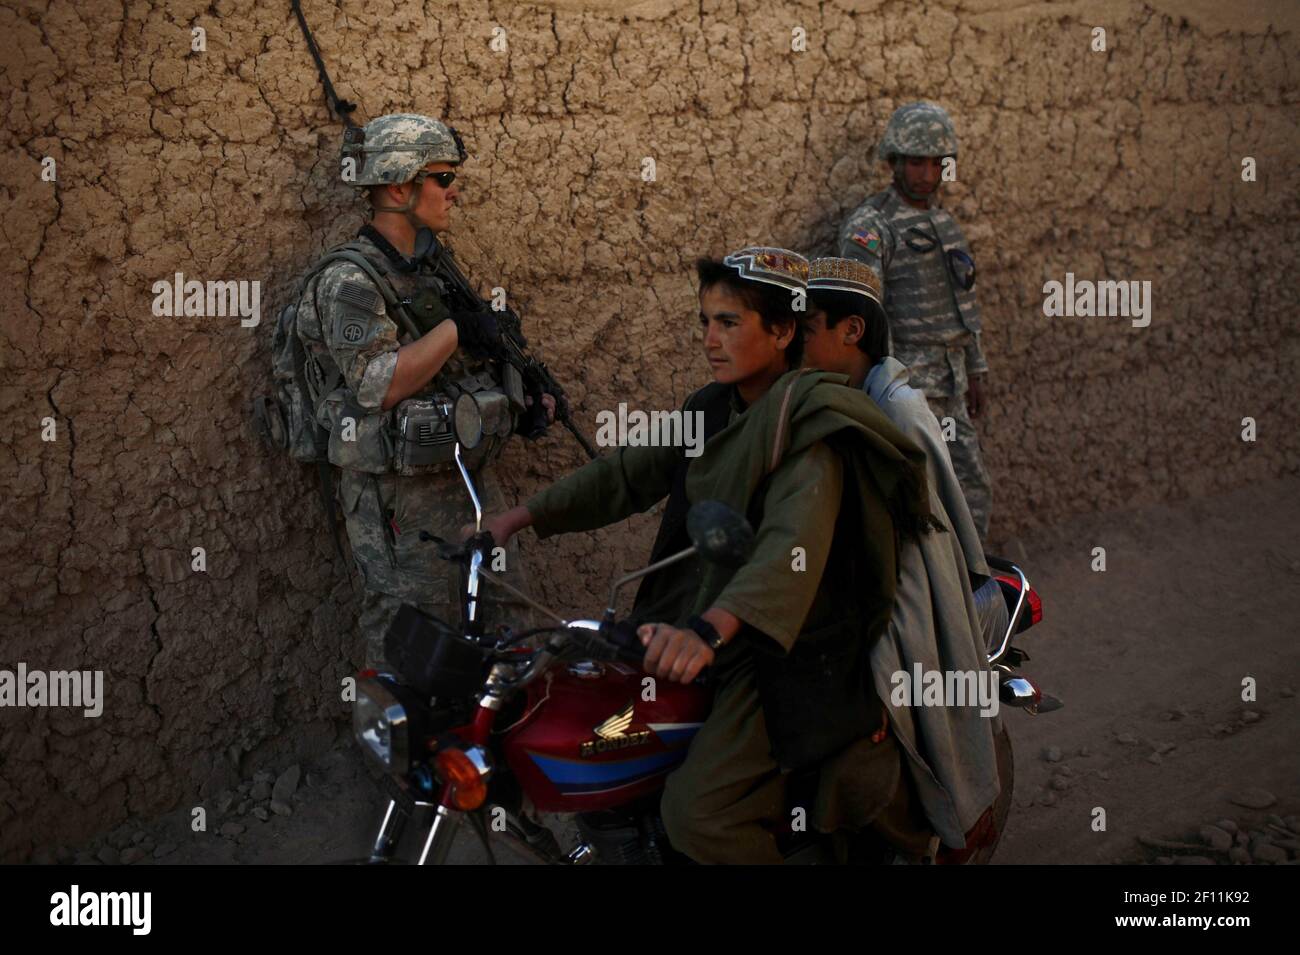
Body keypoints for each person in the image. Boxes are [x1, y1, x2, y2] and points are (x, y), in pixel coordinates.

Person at [480, 247, 934, 864]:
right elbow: (628, 473)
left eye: (729, 322)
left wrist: (708, 632)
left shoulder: (811, 426)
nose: (710, 339)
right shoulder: (713, 408)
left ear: (781, 331)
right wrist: (513, 519)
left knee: (698, 815)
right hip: (697, 616)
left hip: (777, 648)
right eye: (705, 322)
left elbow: (788, 551)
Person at [294, 113, 551, 669]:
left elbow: (453, 376)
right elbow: (377, 384)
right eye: (442, 178)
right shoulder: (350, 281)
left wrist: (523, 395)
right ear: (397, 185)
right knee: (411, 648)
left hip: (466, 486)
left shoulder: (433, 270)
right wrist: (459, 327)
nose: (453, 192)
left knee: (509, 631)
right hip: (396, 502)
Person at [801, 255, 1001, 851]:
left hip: (911, 587)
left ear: (852, 331)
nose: (798, 343)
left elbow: (927, 537)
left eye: (809, 329)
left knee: (893, 701)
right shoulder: (845, 395)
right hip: (872, 575)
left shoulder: (896, 410)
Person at [838, 101, 994, 542]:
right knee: (916, 500)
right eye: (915, 162)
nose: (927, 174)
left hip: (951, 385)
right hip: (906, 392)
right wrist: (882, 396)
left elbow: (964, 300)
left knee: (972, 490)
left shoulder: (945, 224)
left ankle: (973, 592)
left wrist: (976, 369)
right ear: (894, 162)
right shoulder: (871, 228)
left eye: (936, 163)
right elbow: (862, 319)